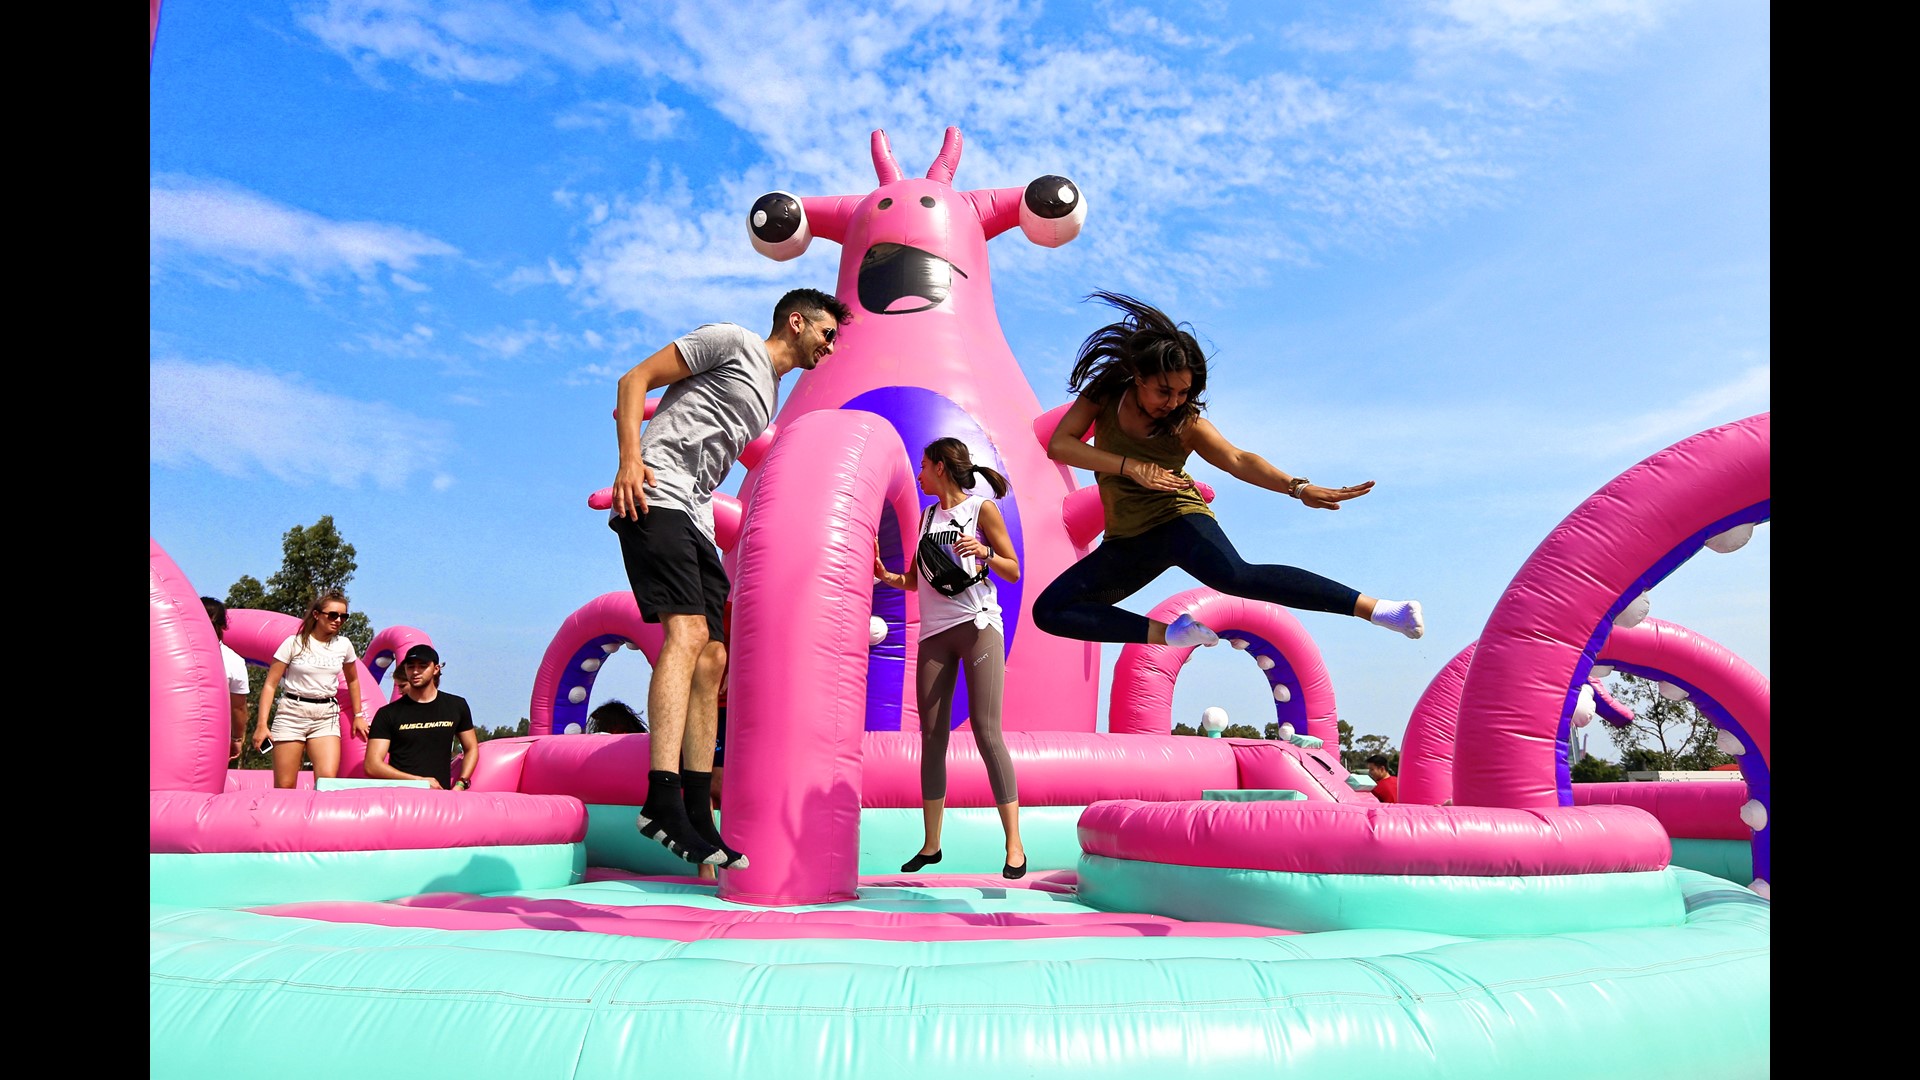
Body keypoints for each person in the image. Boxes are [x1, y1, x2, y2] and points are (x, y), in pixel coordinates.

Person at [609, 286, 852, 870]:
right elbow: (632, 382)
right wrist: (629, 460)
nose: (831, 346)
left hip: (693, 512)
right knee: (687, 635)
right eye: (827, 333)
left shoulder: (769, 396)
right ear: (796, 322)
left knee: (715, 657)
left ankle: (695, 808)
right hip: (654, 492)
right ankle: (660, 796)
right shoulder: (731, 341)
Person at [1034, 291, 1425, 649]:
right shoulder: (1106, 393)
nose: (1173, 401)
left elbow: (1237, 460)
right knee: (1050, 610)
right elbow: (1061, 444)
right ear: (1138, 379)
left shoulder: (1187, 424)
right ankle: (1169, 633)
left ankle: (1380, 609)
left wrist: (1299, 488)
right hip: (1127, 541)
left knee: (1235, 576)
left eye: (1184, 392)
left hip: (1177, 520)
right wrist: (1129, 466)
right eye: (1163, 391)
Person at [873, 438, 1028, 879]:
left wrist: (985, 553)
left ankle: (1014, 844)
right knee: (932, 735)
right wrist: (888, 577)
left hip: (979, 626)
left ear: (940, 467)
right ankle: (931, 844)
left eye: (923, 466)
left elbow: (1013, 569)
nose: (918, 474)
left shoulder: (981, 510)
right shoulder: (926, 517)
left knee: (986, 730)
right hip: (935, 635)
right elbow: (920, 579)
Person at [253, 590, 367, 789]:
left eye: (343, 616)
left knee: (327, 781)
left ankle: (321, 819)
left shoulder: (344, 645)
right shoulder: (293, 643)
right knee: (285, 785)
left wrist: (358, 714)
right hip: (292, 713)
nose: (338, 620)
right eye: (333, 615)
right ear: (317, 615)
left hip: (326, 715)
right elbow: (270, 684)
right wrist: (262, 725)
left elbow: (354, 680)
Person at [364, 644, 478, 789]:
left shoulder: (456, 705)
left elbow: (471, 748)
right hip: (401, 800)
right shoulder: (387, 713)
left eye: (423, 666)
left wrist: (461, 783)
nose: (416, 671)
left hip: (441, 800)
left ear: (436, 669)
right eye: (410, 667)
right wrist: (418, 781)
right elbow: (372, 765)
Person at [201, 597, 250, 763]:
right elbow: (238, 708)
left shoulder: (171, 650)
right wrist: (236, 738)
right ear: (223, 625)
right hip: (213, 735)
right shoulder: (233, 660)